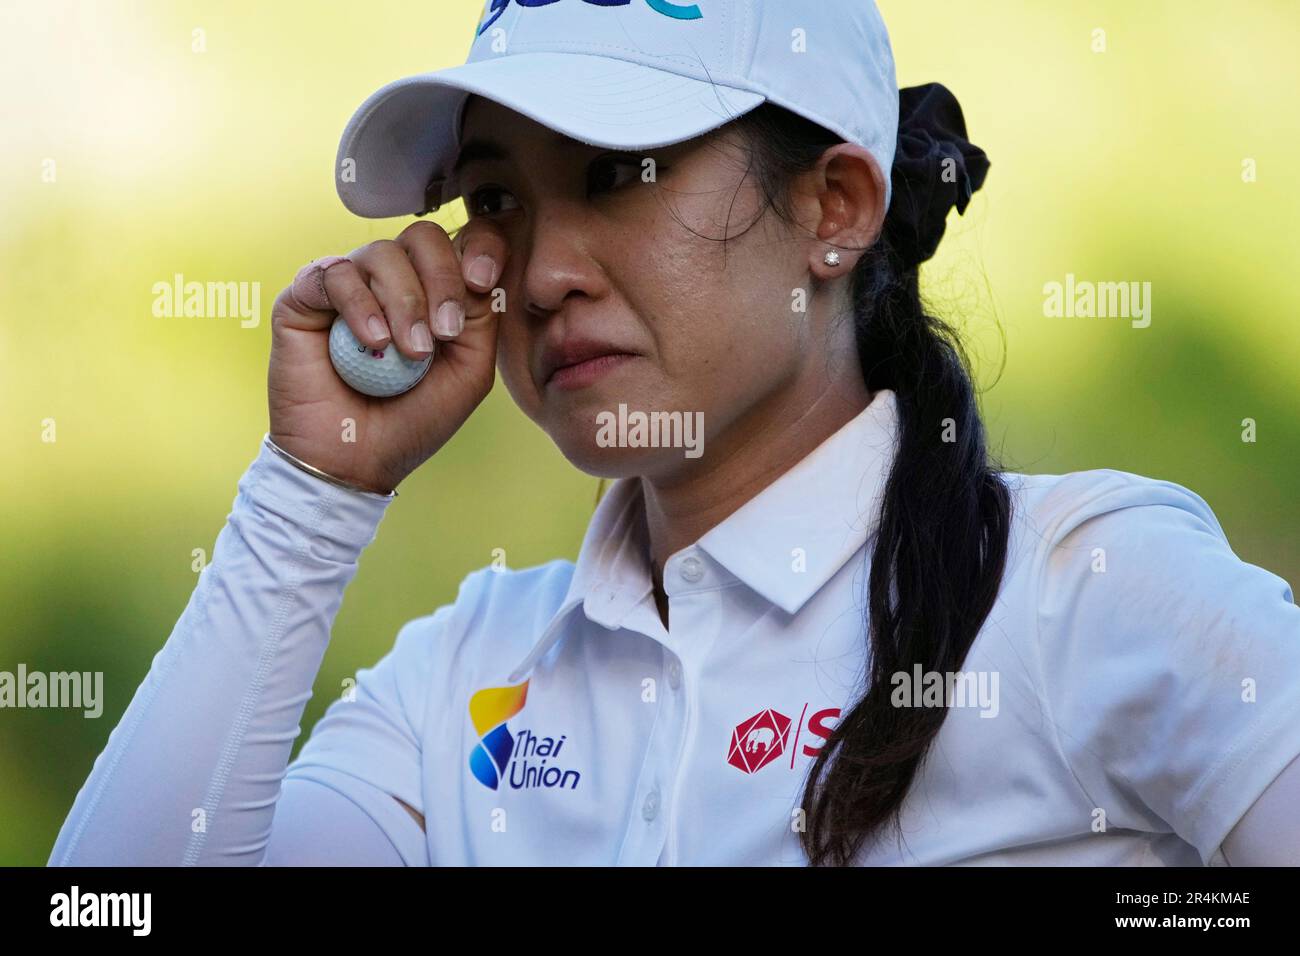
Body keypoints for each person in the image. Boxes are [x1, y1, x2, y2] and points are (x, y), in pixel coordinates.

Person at [50, 0, 1300, 867]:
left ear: (836, 205)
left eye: (616, 174)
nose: (539, 274)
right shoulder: (460, 678)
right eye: (496, 199)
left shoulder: (1091, 589)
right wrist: (310, 495)